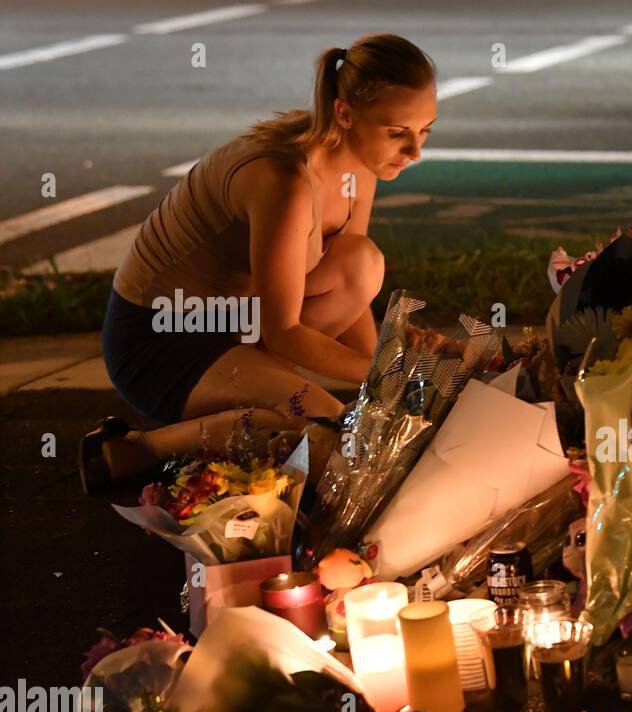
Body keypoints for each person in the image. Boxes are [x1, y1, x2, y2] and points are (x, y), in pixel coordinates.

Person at [81, 34, 439, 492]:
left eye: (425, 130)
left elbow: (353, 289)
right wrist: (385, 375)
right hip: (161, 337)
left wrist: (383, 374)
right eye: (397, 133)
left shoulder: (357, 167)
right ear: (345, 113)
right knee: (323, 423)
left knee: (361, 263)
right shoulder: (285, 182)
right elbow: (284, 331)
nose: (415, 151)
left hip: (231, 322)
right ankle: (133, 450)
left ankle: (256, 396)